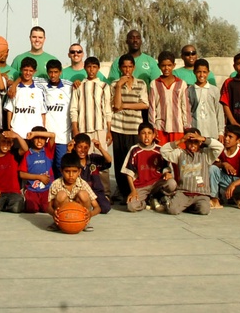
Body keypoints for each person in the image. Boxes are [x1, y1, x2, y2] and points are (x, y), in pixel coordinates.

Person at [160, 128, 224, 215]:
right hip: (184, 193)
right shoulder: (179, 153)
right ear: (185, 142)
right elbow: (163, 150)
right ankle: (172, 201)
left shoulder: (206, 155)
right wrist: (180, 140)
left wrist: (203, 138)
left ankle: (189, 207)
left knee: (204, 210)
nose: (193, 145)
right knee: (172, 210)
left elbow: (220, 147)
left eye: (196, 142)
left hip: (201, 194)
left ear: (200, 142)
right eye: (190, 141)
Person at [110, 54, 147, 200]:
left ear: (134, 67)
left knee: (133, 160)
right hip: (119, 127)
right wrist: (119, 86)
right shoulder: (114, 84)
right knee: (120, 160)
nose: (127, 70)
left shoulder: (141, 84)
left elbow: (144, 104)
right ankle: (122, 191)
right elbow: (115, 105)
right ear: (120, 68)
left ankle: (135, 189)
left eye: (130, 67)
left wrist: (125, 105)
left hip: (134, 127)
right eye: (124, 67)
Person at [122, 122, 176, 212]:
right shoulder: (134, 150)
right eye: (143, 133)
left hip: (156, 184)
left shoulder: (160, 150)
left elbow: (166, 168)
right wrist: (133, 190)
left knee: (172, 183)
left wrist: (167, 174)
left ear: (154, 135)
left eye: (149, 133)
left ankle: (159, 197)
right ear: (139, 135)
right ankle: (147, 202)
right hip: (141, 186)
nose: (146, 136)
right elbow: (129, 174)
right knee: (131, 206)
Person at [70, 57, 112, 153]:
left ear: (98, 68)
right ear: (85, 68)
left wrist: (109, 130)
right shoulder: (79, 86)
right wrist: (75, 129)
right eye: (89, 67)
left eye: (94, 67)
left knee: (101, 157)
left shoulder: (104, 86)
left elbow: (108, 109)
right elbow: (74, 109)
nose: (91, 69)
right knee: (84, 157)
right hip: (83, 127)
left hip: (100, 128)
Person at [210, 125, 240, 209]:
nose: (226, 139)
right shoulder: (221, 150)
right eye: (225, 135)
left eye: (230, 137)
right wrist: (224, 164)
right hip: (226, 180)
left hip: (238, 182)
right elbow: (214, 165)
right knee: (212, 169)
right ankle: (214, 199)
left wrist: (234, 184)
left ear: (238, 140)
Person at [149, 51, 192, 145]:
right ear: (159, 66)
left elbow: (185, 107)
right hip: (160, 128)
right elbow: (152, 108)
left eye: (169, 65)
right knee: (161, 155)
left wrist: (187, 127)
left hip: (178, 127)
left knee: (178, 156)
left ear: (174, 65)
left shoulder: (181, 83)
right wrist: (153, 127)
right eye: (163, 65)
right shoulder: (155, 84)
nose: (166, 68)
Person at [48, 153, 100, 230]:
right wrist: (54, 213)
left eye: (74, 171)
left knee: (83, 194)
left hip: (80, 215)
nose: (71, 175)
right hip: (62, 215)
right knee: (61, 194)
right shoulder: (56, 184)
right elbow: (48, 206)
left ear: (79, 171)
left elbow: (97, 207)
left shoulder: (83, 184)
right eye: (67, 171)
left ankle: (85, 222)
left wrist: (90, 213)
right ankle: (58, 222)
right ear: (61, 171)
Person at [40, 59, 72, 177]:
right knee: (47, 166)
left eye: (55, 72)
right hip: (47, 137)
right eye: (50, 72)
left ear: (60, 72)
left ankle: (62, 192)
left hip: (63, 136)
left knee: (61, 166)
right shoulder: (42, 85)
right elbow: (26, 78)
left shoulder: (69, 86)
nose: (53, 75)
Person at [4, 58, 46, 142]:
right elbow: (9, 110)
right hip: (17, 132)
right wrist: (9, 128)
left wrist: (43, 129)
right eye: (25, 70)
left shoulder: (40, 89)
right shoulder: (14, 89)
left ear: (35, 71)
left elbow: (43, 112)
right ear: (21, 70)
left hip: (34, 133)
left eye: (30, 71)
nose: (27, 73)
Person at [69, 133, 112, 214]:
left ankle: (98, 202)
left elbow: (109, 160)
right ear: (74, 147)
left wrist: (100, 148)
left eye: (85, 147)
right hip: (79, 193)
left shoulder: (93, 158)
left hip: (95, 192)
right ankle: (89, 205)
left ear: (89, 148)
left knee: (106, 207)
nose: (82, 150)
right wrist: (69, 151)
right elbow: (65, 166)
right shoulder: (72, 160)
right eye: (79, 147)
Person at [18, 126, 56, 213]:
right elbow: (21, 174)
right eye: (36, 138)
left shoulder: (48, 151)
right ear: (32, 139)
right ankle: (24, 196)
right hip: (32, 189)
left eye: (42, 138)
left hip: (46, 189)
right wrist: (40, 177)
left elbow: (52, 135)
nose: (39, 141)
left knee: (47, 209)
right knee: (32, 209)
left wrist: (35, 133)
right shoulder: (28, 153)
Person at [188, 58, 224, 142]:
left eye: (204, 72)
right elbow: (188, 112)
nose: (201, 75)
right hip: (196, 131)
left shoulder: (214, 90)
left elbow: (219, 112)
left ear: (208, 72)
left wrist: (221, 132)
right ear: (194, 72)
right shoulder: (189, 90)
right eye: (198, 72)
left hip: (212, 132)